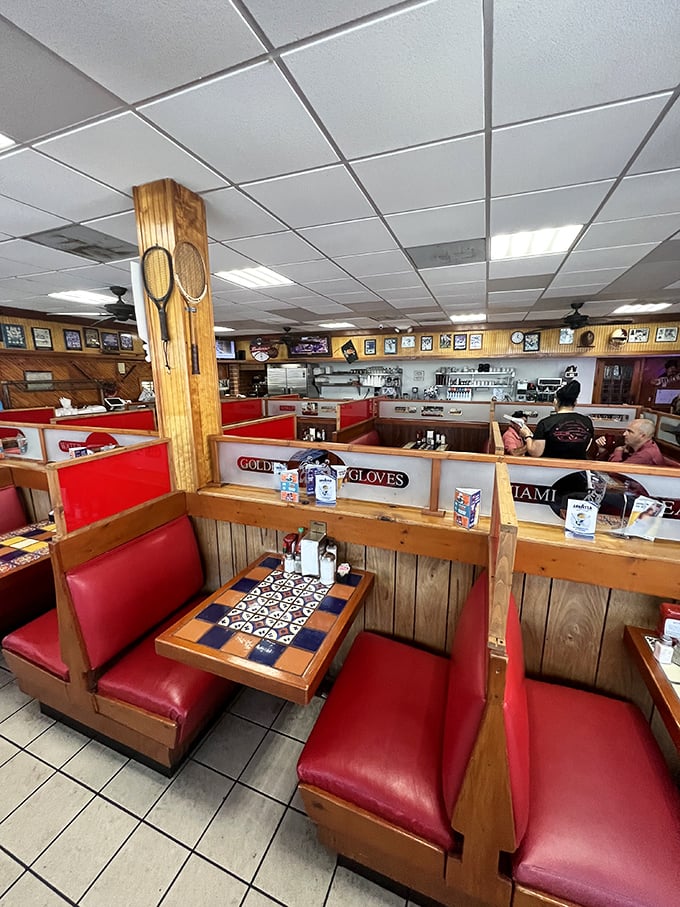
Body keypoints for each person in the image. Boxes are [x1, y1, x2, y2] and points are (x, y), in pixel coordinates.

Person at [518, 380, 593, 459]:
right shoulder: (587, 422)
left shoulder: (545, 423)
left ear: (555, 402)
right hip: (578, 469)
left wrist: (527, 436)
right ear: (575, 403)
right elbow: (586, 448)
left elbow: (536, 452)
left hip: (551, 469)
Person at [595, 418, 664, 466]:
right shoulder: (638, 447)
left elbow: (616, 472)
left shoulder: (645, 455)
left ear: (642, 436)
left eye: (630, 431)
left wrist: (618, 451)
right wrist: (602, 450)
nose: (624, 434)